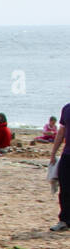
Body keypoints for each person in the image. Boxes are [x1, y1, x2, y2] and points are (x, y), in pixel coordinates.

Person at [49, 99, 70, 231]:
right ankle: (64, 220)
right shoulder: (67, 108)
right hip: (67, 155)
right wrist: (53, 153)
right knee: (65, 188)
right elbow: (61, 132)